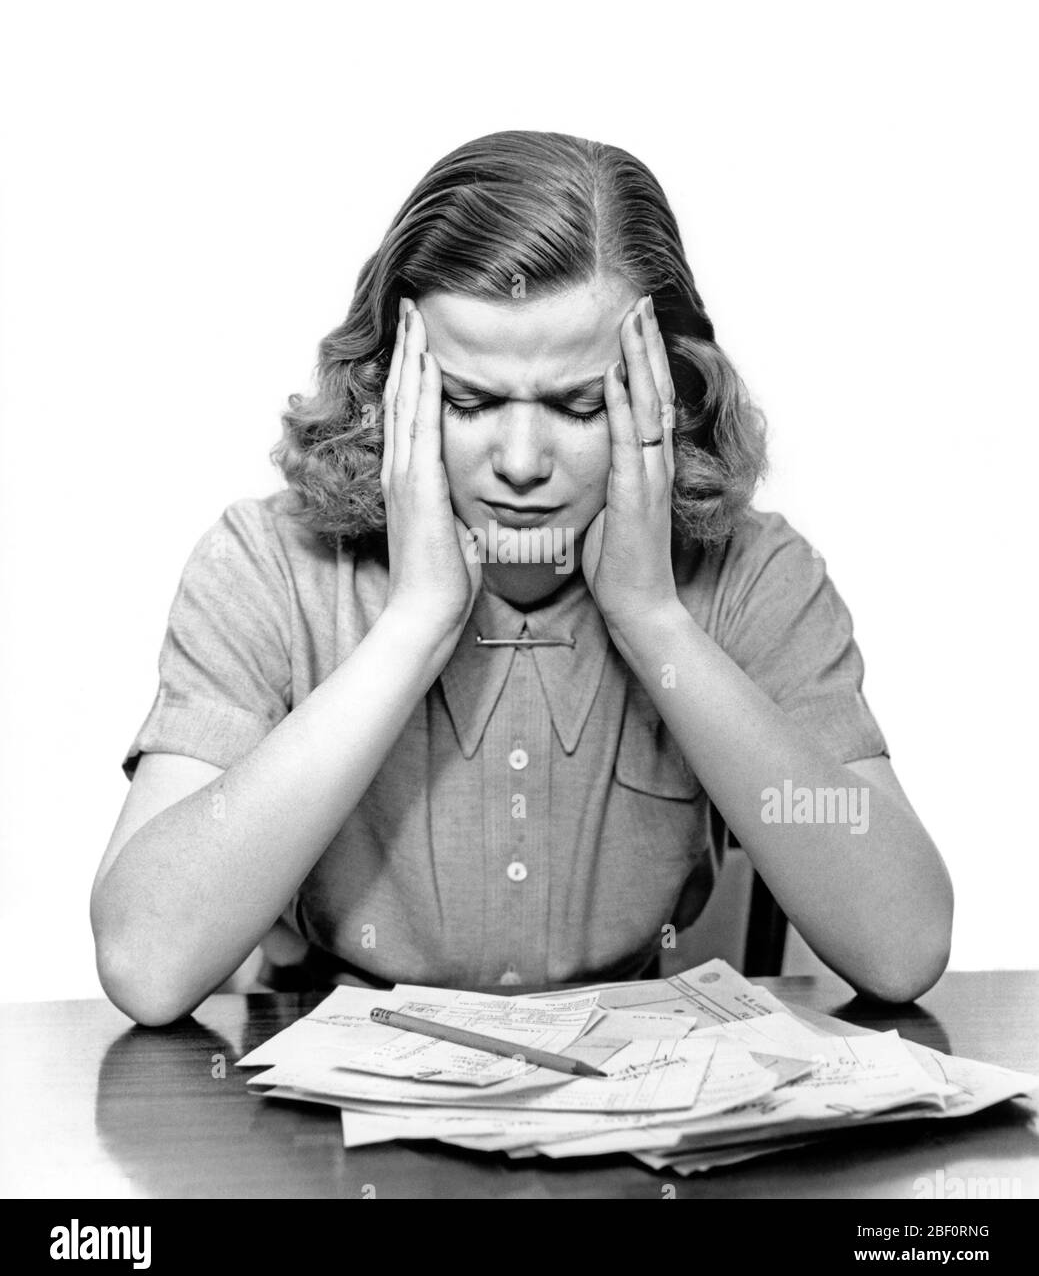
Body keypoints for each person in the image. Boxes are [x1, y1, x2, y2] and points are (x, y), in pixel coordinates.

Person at [90, 130, 954, 1026]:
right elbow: (146, 966)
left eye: (581, 405)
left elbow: (902, 950)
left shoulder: (752, 574)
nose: (520, 461)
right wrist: (415, 624)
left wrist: (652, 618)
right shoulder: (263, 566)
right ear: (388, 386)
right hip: (324, 1118)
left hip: (634, 1104)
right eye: (468, 403)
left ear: (668, 392)